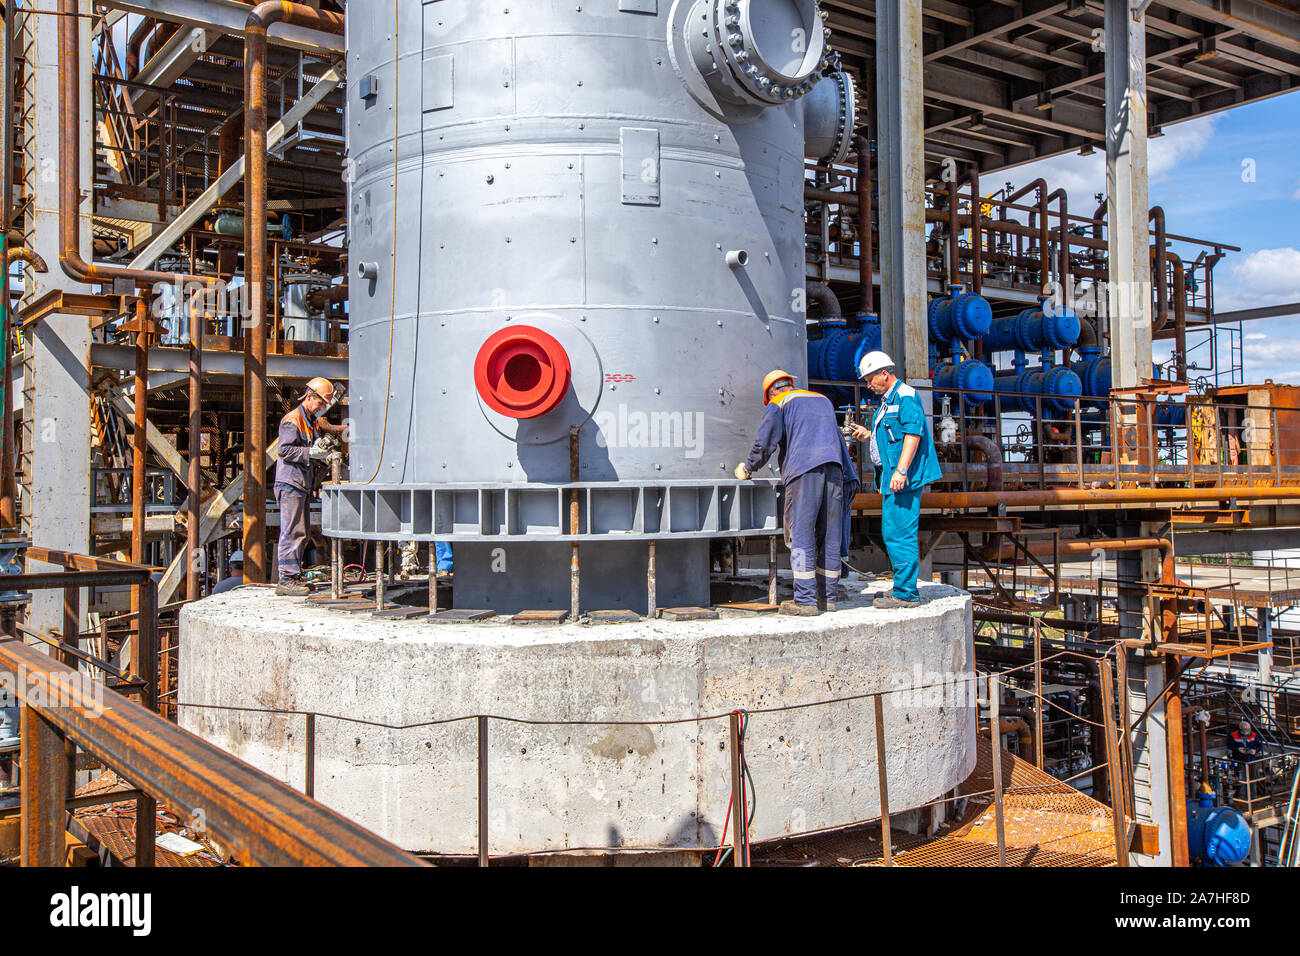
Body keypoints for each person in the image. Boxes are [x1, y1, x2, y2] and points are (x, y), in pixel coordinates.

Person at [735, 370, 858, 616]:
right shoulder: (822, 400)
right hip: (836, 470)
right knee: (830, 535)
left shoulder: (778, 403)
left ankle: (805, 600)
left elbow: (765, 442)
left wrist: (748, 467)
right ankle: (828, 598)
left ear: (771, 392)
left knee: (801, 533)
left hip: (804, 472)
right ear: (790, 384)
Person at [848, 352, 941, 609]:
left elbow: (913, 434)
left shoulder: (906, 397)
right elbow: (893, 433)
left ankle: (906, 593)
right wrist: (869, 434)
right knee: (893, 531)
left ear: (884, 374)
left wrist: (901, 471)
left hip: (903, 478)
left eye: (870, 380)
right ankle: (902, 588)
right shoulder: (888, 401)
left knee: (901, 532)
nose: (868, 385)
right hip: (890, 477)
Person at [275, 377, 342, 596]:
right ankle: (286, 578)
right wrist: (311, 453)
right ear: (310, 396)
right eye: (321, 403)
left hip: (300, 483)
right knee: (292, 530)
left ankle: (293, 575)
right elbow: (284, 450)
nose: (322, 407)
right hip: (290, 482)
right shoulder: (292, 420)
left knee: (301, 531)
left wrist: (320, 453)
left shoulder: (309, 420)